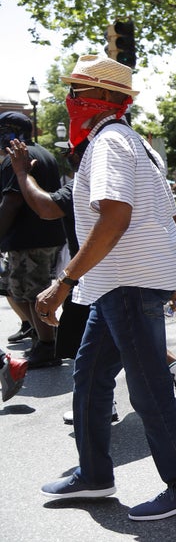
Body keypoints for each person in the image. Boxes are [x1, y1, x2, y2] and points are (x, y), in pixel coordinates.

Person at [37, 53, 176, 520]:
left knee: (149, 388)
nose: (70, 100)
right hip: (120, 283)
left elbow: (115, 214)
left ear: (105, 98)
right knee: (90, 377)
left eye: (77, 91)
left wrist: (63, 282)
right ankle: (93, 475)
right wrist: (170, 273)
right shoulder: (133, 142)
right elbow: (171, 215)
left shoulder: (110, 142)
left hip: (128, 284)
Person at [8, 137, 176, 404]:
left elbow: (46, 207)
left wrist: (21, 172)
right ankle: (167, 373)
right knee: (123, 342)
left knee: (94, 348)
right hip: (123, 279)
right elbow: (174, 220)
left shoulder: (90, 183)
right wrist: (173, 277)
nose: (70, 157)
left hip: (102, 278)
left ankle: (113, 403)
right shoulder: (140, 179)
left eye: (72, 151)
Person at [0, 111, 66, 370]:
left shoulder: (17, 159)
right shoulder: (45, 153)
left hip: (29, 237)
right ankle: (47, 339)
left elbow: (12, 201)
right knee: (29, 290)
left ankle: (47, 345)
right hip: (47, 234)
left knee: (32, 293)